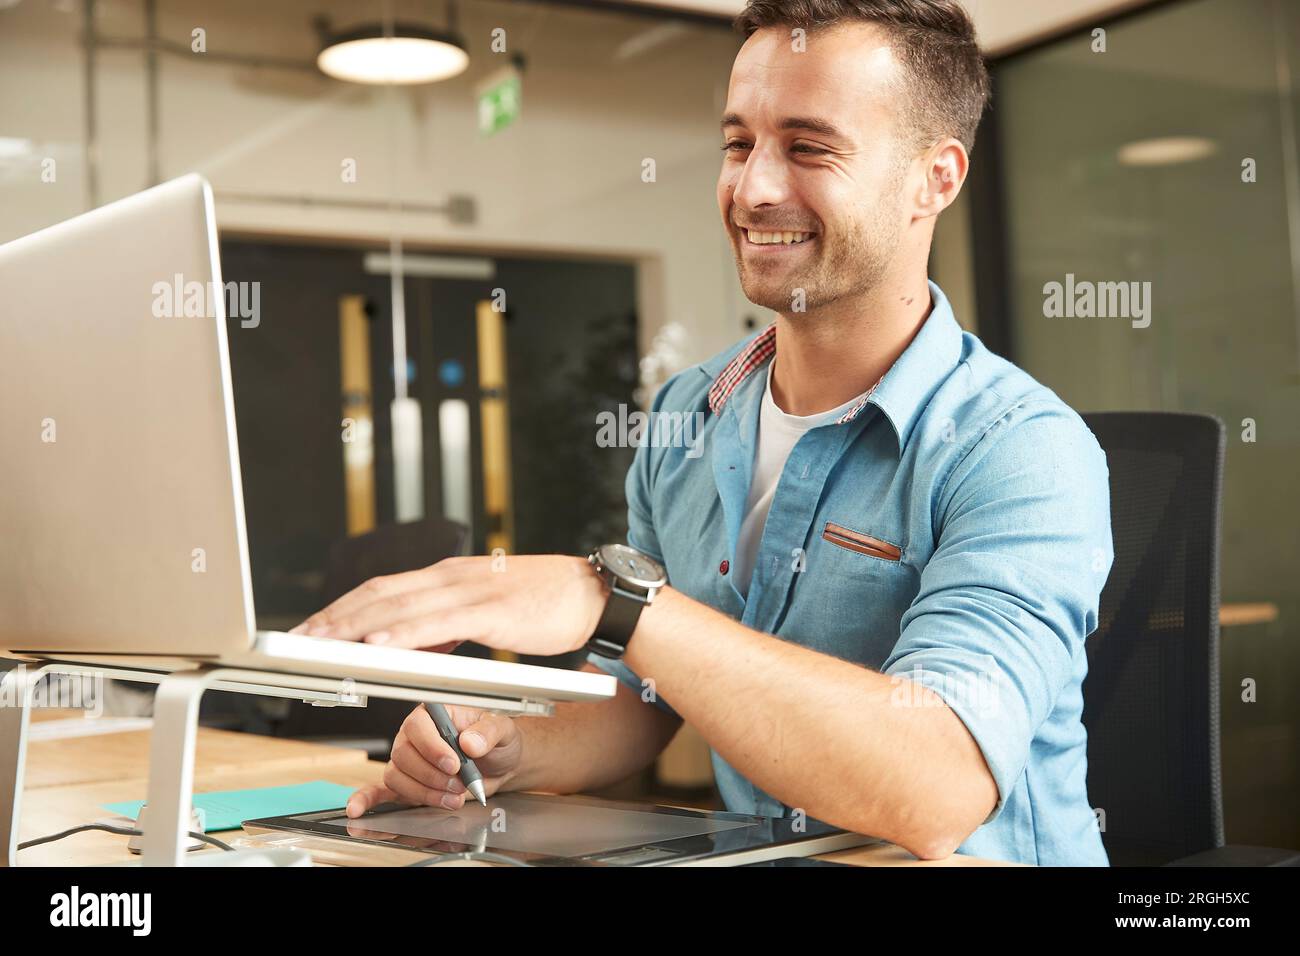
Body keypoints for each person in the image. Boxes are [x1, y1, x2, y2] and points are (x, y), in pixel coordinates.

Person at [291, 0, 1113, 866]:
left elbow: (937, 787)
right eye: (737, 142)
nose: (753, 187)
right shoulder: (692, 411)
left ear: (935, 179)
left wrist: (615, 602)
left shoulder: (1021, 448)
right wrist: (505, 743)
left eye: (808, 146)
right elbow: (646, 690)